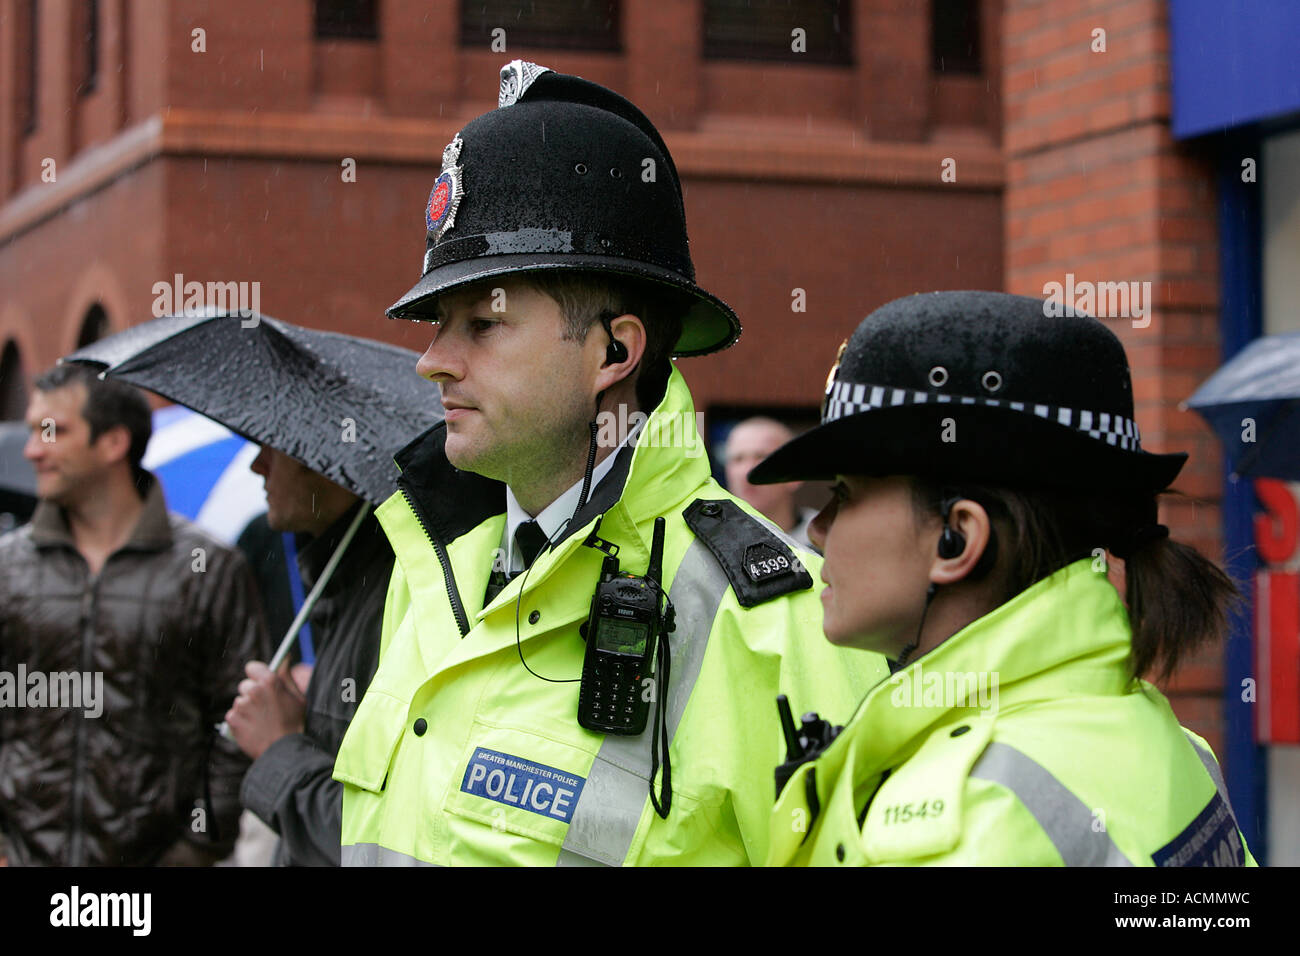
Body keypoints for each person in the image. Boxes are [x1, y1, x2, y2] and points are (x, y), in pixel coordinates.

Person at [332, 60, 885, 866]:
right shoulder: (430, 572)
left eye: (480, 326)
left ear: (615, 350)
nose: (433, 361)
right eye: (435, 322)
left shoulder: (782, 628)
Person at [750, 290, 1256, 866]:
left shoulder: (959, 828)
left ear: (958, 538)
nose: (819, 531)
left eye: (845, 492)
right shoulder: (1178, 746)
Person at [0, 365, 268, 865]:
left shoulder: (208, 569)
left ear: (113, 442)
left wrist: (195, 848)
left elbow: (236, 724)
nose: (32, 449)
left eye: (51, 430)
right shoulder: (7, 567)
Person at [225, 445, 388, 865]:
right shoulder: (344, 575)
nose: (256, 464)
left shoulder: (394, 595)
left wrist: (279, 746)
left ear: (331, 458)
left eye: (274, 449)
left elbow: (380, 844)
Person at [724, 416, 818, 550]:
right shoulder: (708, 538)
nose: (747, 471)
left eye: (761, 457)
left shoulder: (826, 535)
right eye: (738, 459)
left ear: (794, 474)